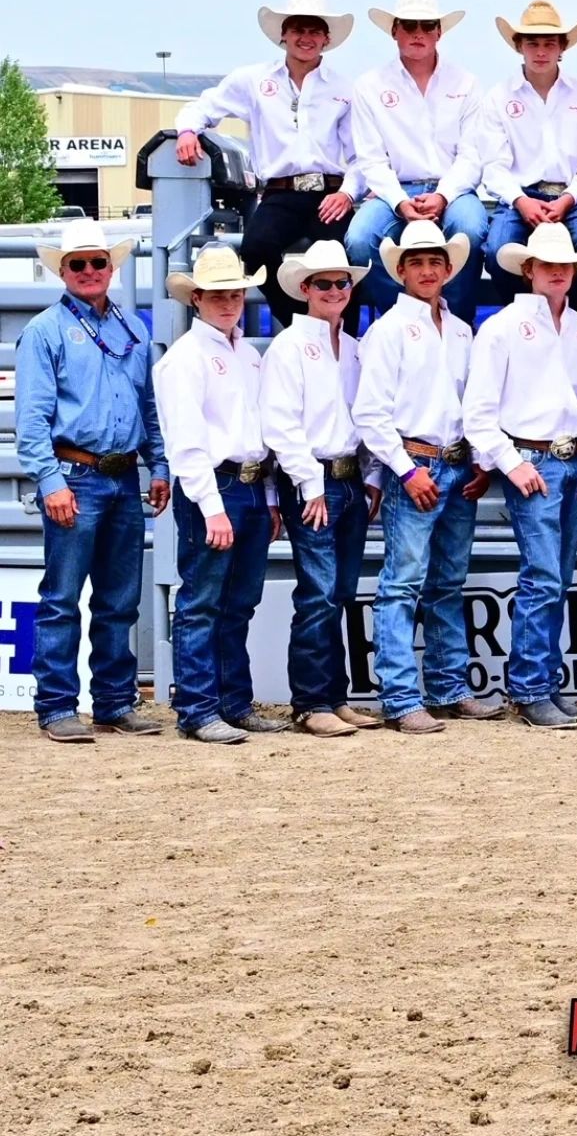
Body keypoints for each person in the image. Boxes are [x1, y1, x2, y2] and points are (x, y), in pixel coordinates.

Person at [19, 223, 169, 742]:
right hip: (73, 475)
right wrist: (49, 481)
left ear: (113, 267)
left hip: (123, 475)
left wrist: (160, 465)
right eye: (78, 264)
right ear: (62, 270)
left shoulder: (133, 328)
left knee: (118, 599)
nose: (88, 272)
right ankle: (58, 705)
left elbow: (147, 405)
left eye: (97, 263)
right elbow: (32, 419)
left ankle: (112, 702)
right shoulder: (44, 331)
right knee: (62, 597)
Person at [352, 220, 499, 733]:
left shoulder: (461, 330)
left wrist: (479, 458)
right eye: (417, 262)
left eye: (436, 262)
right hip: (415, 461)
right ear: (401, 271)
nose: (428, 270)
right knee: (404, 581)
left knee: (446, 580)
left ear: (449, 268)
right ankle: (400, 696)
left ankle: (447, 686)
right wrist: (406, 469)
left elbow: (474, 403)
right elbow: (370, 414)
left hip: (455, 462)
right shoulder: (388, 330)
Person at [464, 220, 577, 729]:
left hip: (568, 459)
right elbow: (477, 413)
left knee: (556, 577)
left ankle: (545, 682)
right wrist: (511, 461)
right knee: (544, 576)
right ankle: (529, 688)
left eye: (565, 264)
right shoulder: (500, 328)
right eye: (548, 265)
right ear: (529, 270)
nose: (558, 272)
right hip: (532, 459)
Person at [174, 0, 361, 327]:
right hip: (280, 192)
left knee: (344, 258)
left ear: (326, 38)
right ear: (284, 35)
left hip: (329, 193)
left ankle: (342, 335)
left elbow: (361, 154)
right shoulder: (254, 81)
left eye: (315, 30)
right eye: (299, 29)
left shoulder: (344, 89)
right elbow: (203, 106)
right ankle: (300, 325)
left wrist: (347, 193)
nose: (306, 37)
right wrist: (188, 131)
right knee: (256, 251)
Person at [153, 243, 277, 745]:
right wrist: (211, 507)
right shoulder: (185, 359)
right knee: (204, 600)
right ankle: (199, 707)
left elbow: (260, 430)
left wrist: (266, 497)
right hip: (216, 485)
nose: (229, 302)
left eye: (235, 294)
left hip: (246, 482)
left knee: (238, 601)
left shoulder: (245, 354)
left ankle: (232, 701)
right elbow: (185, 444)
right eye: (218, 295)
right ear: (197, 299)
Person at [259, 240, 380, 738]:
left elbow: (368, 415)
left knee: (339, 592)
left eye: (341, 282)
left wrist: (370, 475)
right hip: (314, 479)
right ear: (305, 289)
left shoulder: (353, 347)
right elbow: (280, 425)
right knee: (319, 592)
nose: (334, 290)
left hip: (348, 476)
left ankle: (333, 694)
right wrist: (308, 485)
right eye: (324, 283)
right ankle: (311, 701)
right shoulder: (288, 346)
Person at [344, 0, 492, 321]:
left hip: (452, 189)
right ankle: (403, 322)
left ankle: (455, 324)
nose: (418, 33)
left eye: (427, 25)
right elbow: (371, 158)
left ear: (439, 32)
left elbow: (472, 155)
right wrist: (399, 201)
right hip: (393, 189)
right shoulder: (369, 85)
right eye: (409, 25)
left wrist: (443, 195)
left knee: (469, 229)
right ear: (394, 30)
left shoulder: (466, 83)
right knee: (360, 239)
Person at [478, 0, 577, 308]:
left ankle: (571, 314)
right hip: (520, 197)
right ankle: (521, 313)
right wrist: (521, 200)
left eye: (549, 44)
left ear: (562, 48)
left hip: (572, 198)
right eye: (533, 43)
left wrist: (569, 197)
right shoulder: (499, 97)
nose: (541, 52)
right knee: (497, 249)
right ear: (519, 46)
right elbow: (493, 165)